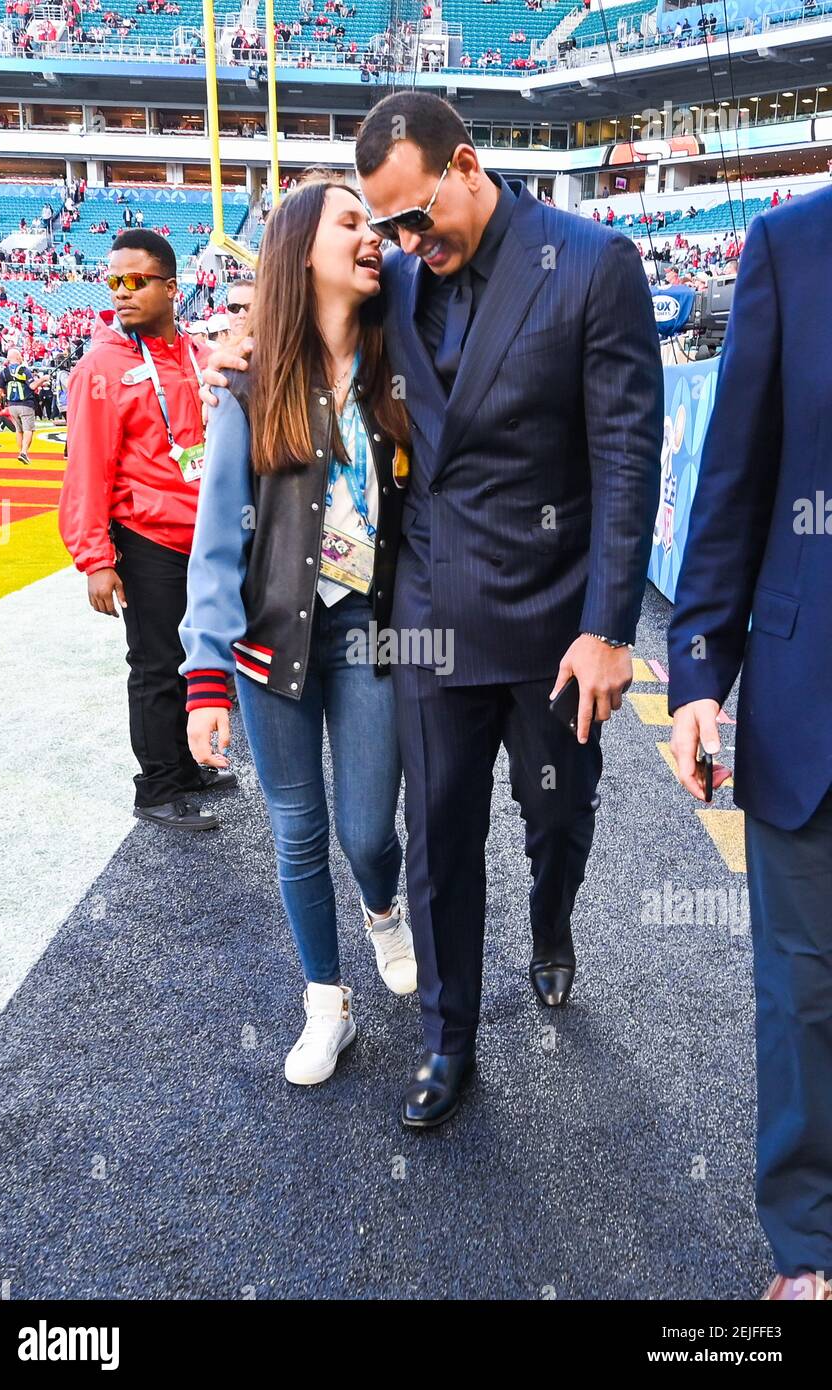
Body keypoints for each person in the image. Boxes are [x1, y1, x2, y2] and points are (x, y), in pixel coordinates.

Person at [203, 93, 663, 1127]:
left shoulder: (594, 263)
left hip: (557, 627)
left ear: (464, 165)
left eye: (416, 216)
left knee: (557, 816)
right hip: (427, 613)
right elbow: (297, 316)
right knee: (435, 836)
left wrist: (609, 627)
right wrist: (231, 351)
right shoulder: (399, 279)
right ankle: (450, 1040)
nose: (405, 241)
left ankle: (553, 920)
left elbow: (628, 460)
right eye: (387, 224)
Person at [180, 177, 417, 1085]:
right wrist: (203, 677)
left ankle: (383, 909)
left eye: (373, 225)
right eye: (350, 224)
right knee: (295, 828)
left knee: (366, 831)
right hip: (268, 640)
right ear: (299, 253)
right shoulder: (246, 378)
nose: (371, 238)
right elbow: (215, 540)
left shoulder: (404, 364)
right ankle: (327, 1004)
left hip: (371, 631)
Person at [668, 186, 832, 1303]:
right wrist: (695, 677)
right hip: (806, 691)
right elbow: (733, 475)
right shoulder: (793, 245)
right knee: (804, 989)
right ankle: (809, 1246)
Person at [58, 230, 232, 832]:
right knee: (157, 663)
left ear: (171, 287)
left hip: (204, 537)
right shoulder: (101, 366)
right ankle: (157, 787)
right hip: (146, 537)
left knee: (198, 655)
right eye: (113, 282)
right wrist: (95, 558)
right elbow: (85, 468)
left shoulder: (192, 354)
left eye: (135, 281)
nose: (121, 294)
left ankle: (187, 764)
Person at [0, 347, 43, 464]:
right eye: (20, 355)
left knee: (18, 430)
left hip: (12, 405)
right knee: (28, 430)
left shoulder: (4, 372)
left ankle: (21, 452)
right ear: (17, 357)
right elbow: (32, 386)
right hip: (26, 403)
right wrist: (43, 379)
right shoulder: (24, 370)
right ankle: (24, 452)